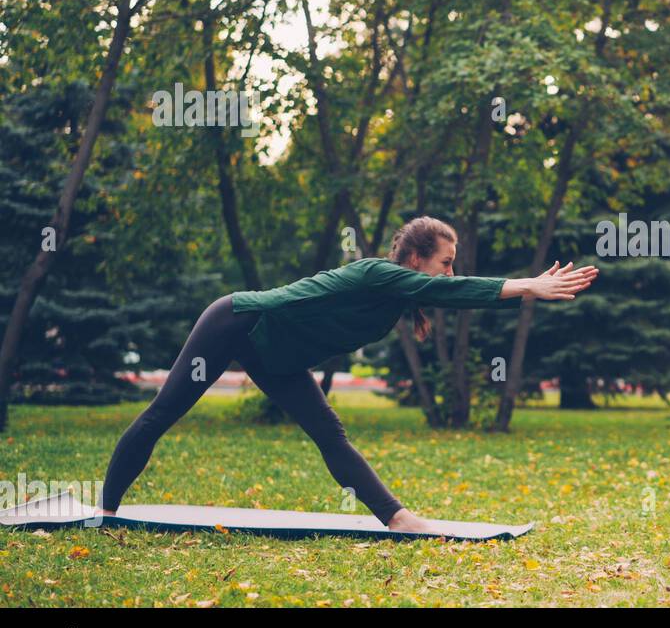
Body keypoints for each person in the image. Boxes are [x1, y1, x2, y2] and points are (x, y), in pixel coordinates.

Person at [95, 216, 598, 534]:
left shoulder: (397, 299)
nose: (447, 273)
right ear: (416, 257)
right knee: (164, 412)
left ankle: (397, 519)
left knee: (330, 434)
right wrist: (528, 285)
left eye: (452, 265)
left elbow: (446, 293)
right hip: (237, 323)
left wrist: (523, 288)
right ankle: (108, 513)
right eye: (443, 263)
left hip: (278, 356)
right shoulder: (378, 273)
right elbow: (455, 292)